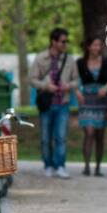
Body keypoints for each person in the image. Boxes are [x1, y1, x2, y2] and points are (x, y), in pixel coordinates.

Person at [29, 28, 79, 178]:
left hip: (63, 102)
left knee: (61, 136)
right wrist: (46, 86)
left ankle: (60, 166)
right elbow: (32, 79)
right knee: (45, 137)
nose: (65, 44)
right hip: (46, 103)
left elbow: (76, 80)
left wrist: (68, 86)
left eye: (66, 41)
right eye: (63, 41)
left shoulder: (69, 60)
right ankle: (48, 165)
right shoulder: (40, 58)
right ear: (54, 42)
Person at [76, 36, 107, 176]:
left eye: (99, 45)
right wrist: (77, 92)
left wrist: (106, 88)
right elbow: (74, 79)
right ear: (88, 47)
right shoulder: (80, 62)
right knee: (89, 132)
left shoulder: (106, 61)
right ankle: (86, 165)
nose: (97, 48)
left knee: (100, 135)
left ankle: (98, 166)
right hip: (87, 100)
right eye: (95, 45)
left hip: (101, 101)